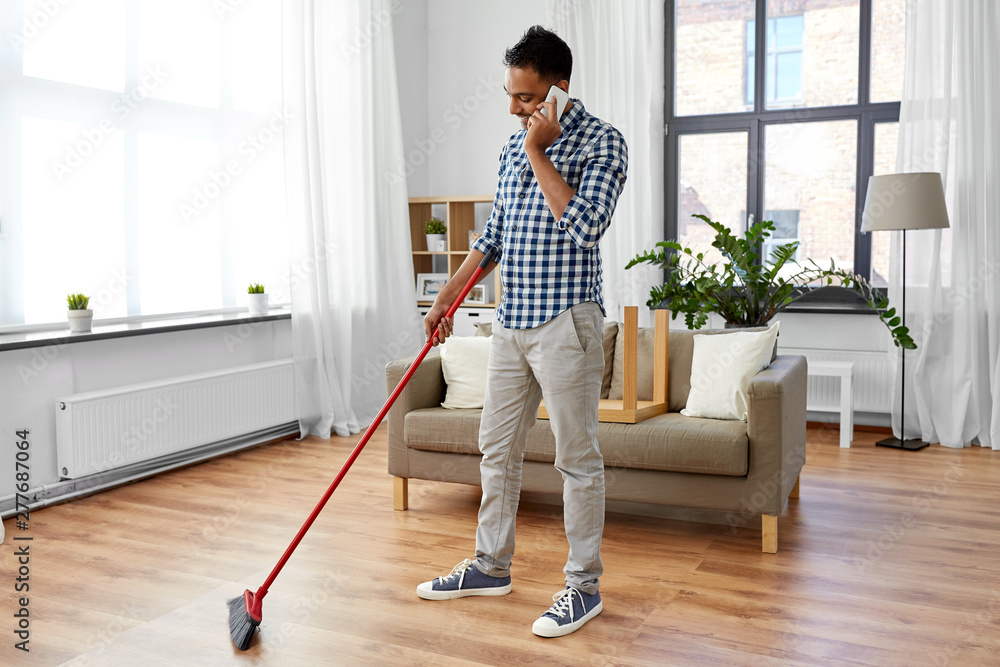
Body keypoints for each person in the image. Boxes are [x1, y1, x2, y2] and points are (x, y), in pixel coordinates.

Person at [416, 25, 628, 638]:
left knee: (576, 460)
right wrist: (446, 297)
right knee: (496, 449)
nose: (515, 109)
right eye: (510, 95)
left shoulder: (602, 143)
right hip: (511, 325)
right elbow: (494, 237)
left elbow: (584, 228)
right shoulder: (512, 147)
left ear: (559, 89)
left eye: (527, 98)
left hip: (568, 323)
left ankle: (583, 586)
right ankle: (490, 565)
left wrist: (542, 151)